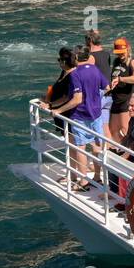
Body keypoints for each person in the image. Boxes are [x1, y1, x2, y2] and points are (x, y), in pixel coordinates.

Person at [52, 46, 108, 188]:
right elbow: (107, 87)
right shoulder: (95, 69)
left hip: (81, 116)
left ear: (76, 57)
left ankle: (83, 182)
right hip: (96, 115)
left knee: (80, 148)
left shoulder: (75, 74)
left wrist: (58, 110)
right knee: (97, 146)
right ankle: (97, 177)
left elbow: (77, 99)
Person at [105, 37, 134, 143]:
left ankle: (126, 154)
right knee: (112, 130)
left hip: (126, 100)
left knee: (124, 130)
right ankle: (115, 152)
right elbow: (113, 77)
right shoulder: (116, 61)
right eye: (118, 53)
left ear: (128, 49)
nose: (120, 55)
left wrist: (120, 79)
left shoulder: (132, 62)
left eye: (122, 53)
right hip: (115, 99)